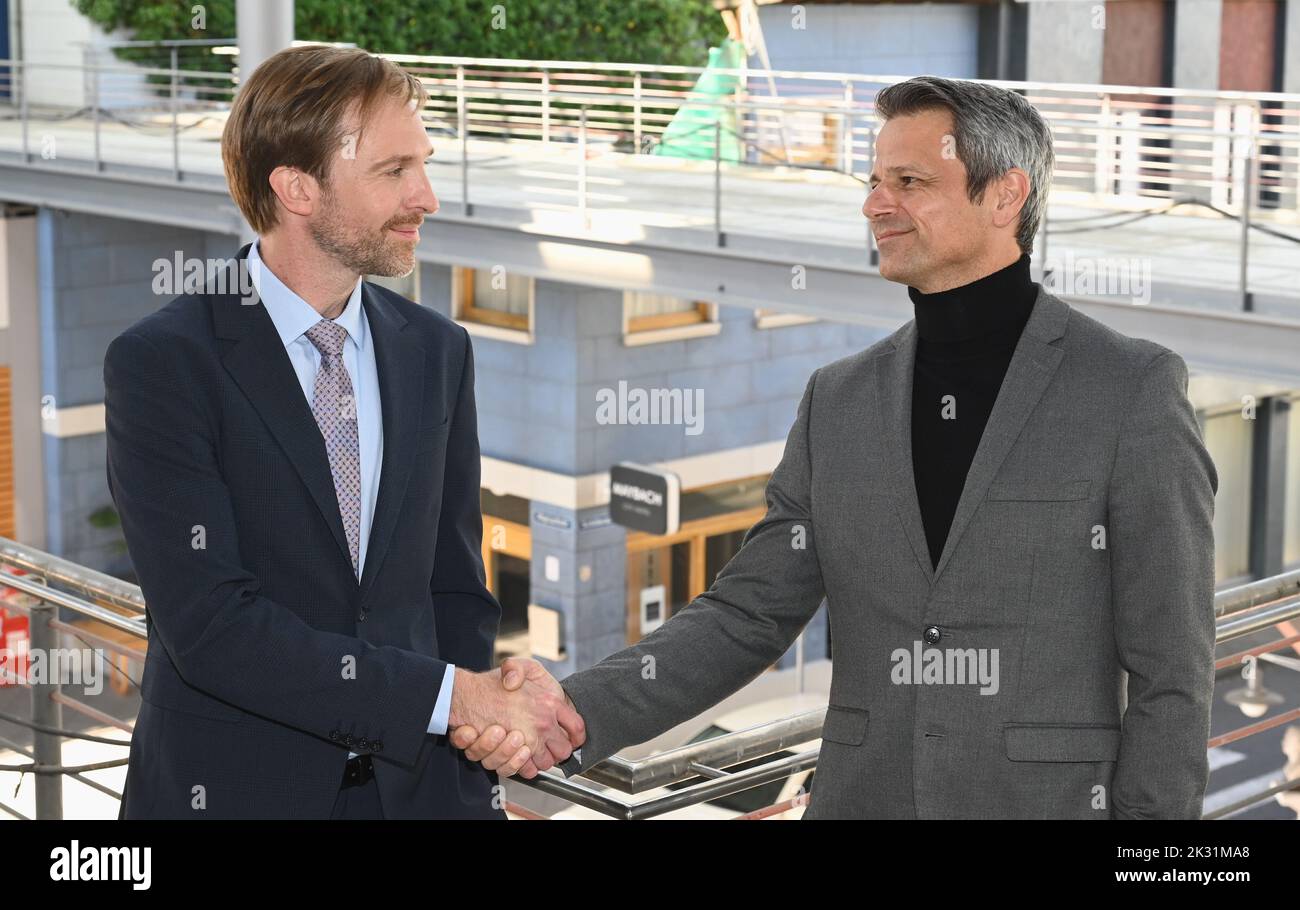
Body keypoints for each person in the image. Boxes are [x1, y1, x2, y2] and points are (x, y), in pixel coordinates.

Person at [452, 75, 1219, 820]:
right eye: (875, 180)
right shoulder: (838, 399)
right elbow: (747, 613)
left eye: (909, 181)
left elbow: (1172, 670)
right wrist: (575, 709)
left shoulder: (1130, 389)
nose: (875, 204)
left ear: (1005, 196)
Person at [105, 44, 580, 819]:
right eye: (393, 172)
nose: (426, 196)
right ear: (296, 187)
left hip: (423, 797)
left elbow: (453, 587)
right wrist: (453, 698)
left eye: (422, 165)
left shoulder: (437, 350)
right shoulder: (163, 364)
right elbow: (213, 628)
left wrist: (480, 733)